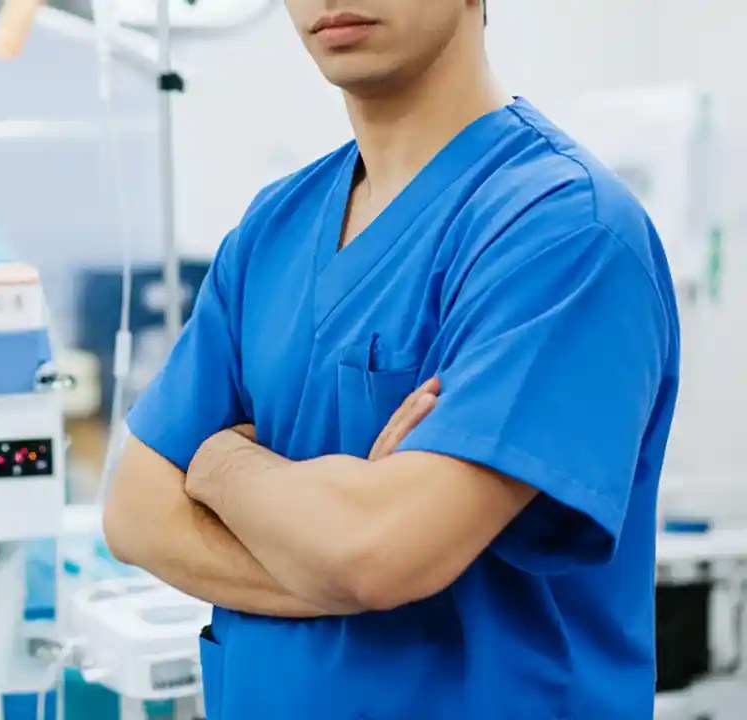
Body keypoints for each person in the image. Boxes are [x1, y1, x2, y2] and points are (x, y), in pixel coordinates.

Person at [103, 0, 679, 717]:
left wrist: (219, 464)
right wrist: (333, 555)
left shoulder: (566, 233)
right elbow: (134, 513)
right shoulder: (270, 230)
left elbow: (374, 554)